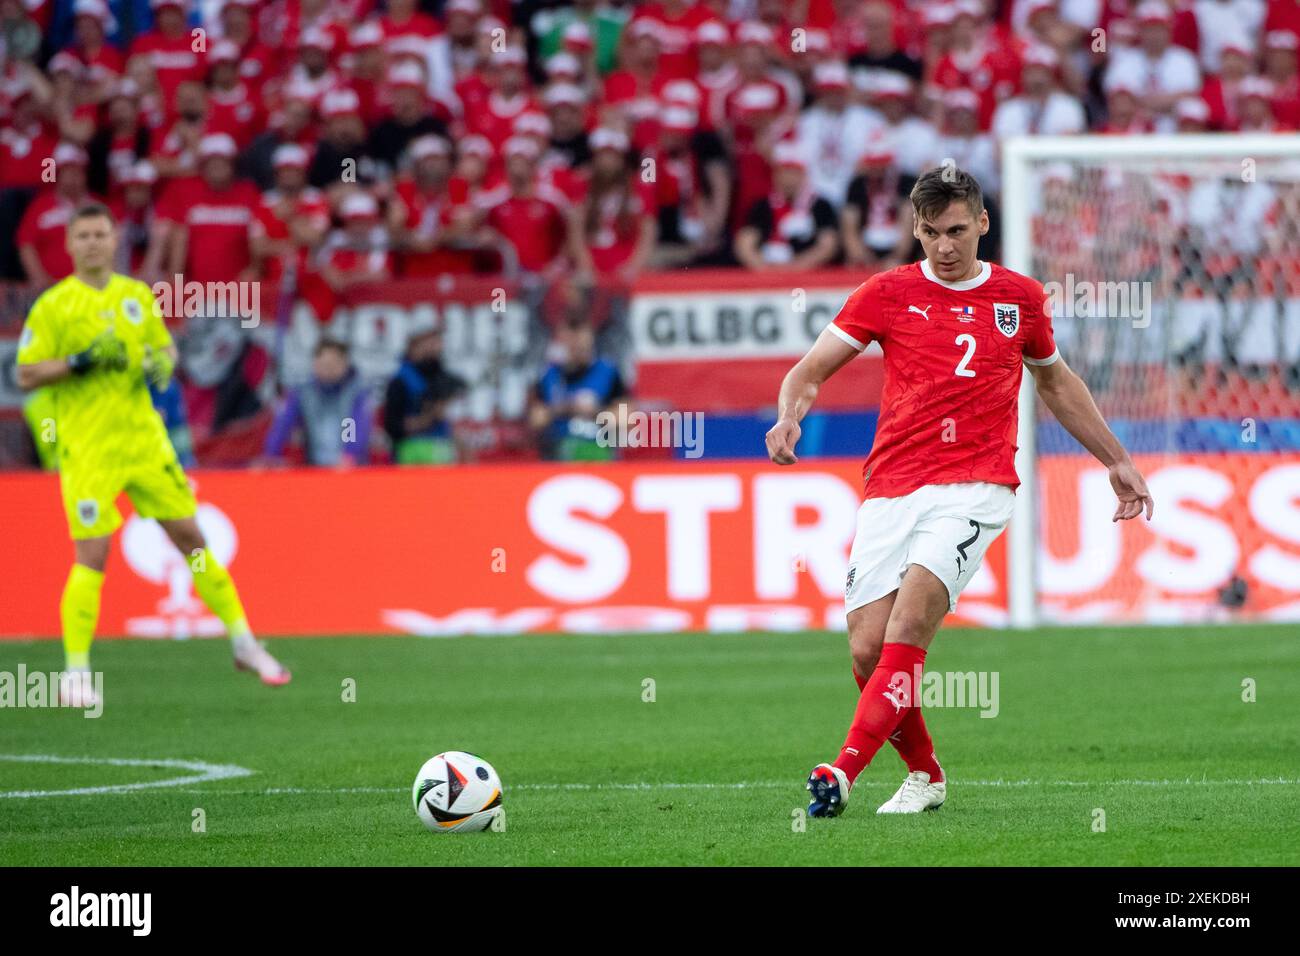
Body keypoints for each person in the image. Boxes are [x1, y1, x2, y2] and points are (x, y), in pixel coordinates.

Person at [765, 167, 1154, 817]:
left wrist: (1116, 459)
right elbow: (809, 372)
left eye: (954, 231)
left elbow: (1056, 383)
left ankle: (842, 771)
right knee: (867, 649)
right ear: (913, 230)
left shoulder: (1019, 297)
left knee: (911, 622)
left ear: (981, 223)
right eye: (928, 233)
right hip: (892, 485)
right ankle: (925, 773)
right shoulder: (885, 294)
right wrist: (789, 414)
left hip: (976, 483)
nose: (943, 247)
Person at [14, 202, 290, 709]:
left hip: (145, 442)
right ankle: (76, 673)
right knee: (93, 555)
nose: (94, 242)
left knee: (193, 539)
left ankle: (245, 643)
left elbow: (166, 353)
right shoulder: (55, 305)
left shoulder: (137, 296)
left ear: (116, 239)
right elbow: (25, 374)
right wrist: (80, 361)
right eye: (85, 236)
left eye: (102, 233)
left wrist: (156, 363)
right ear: (71, 245)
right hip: (90, 448)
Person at [263, 338, 372, 467]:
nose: (328, 369)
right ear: (315, 363)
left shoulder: (356, 393)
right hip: (314, 467)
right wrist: (270, 455)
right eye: (323, 364)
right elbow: (283, 424)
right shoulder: (303, 392)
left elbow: (355, 426)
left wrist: (349, 455)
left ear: (345, 364)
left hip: (348, 468)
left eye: (333, 364)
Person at [383, 322, 467, 464]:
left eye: (438, 340)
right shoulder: (401, 380)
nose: (437, 346)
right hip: (412, 456)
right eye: (430, 340)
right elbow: (393, 426)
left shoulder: (439, 375)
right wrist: (428, 418)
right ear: (414, 345)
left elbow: (446, 420)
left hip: (441, 452)